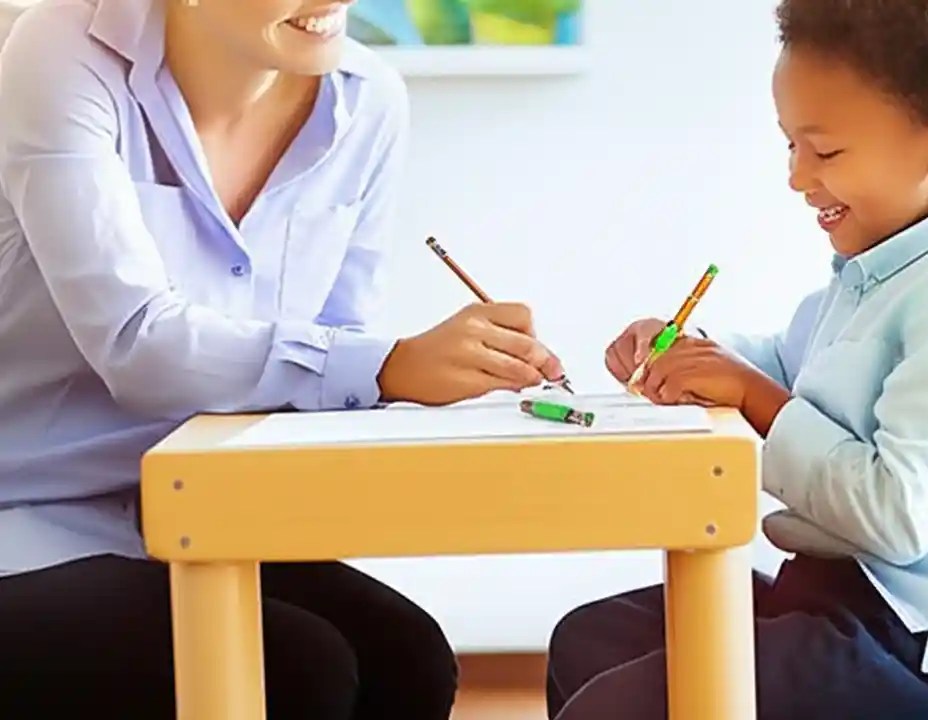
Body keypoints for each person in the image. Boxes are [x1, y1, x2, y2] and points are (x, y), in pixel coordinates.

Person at [0, 0, 565, 717]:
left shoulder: (367, 101)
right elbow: (136, 341)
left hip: (214, 517)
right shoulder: (59, 52)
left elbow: (334, 358)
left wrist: (423, 383)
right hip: (32, 519)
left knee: (408, 657)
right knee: (299, 669)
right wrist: (391, 365)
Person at [545, 0, 928, 718]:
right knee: (590, 639)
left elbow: (897, 512)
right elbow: (790, 370)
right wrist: (693, 356)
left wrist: (754, 397)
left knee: (620, 705)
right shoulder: (879, 274)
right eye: (789, 146)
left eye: (824, 152)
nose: (798, 178)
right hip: (837, 605)